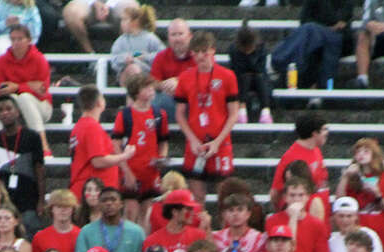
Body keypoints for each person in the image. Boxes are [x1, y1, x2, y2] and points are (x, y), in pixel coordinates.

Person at [175, 32, 239, 204]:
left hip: (220, 144)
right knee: (196, 200)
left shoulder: (227, 76)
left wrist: (218, 141)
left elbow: (234, 113)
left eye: (204, 51)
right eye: (195, 52)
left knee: (226, 198)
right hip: (195, 145)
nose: (200, 56)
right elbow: (180, 113)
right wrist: (192, 140)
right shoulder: (186, 77)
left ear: (213, 51)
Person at [0, 95, 47, 227]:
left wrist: (41, 200)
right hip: (2, 201)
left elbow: (39, 169)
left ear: (17, 112)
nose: (4, 113)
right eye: (0, 110)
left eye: (8, 109)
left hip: (29, 199)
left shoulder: (32, 137)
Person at [113, 73, 169, 223]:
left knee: (146, 213)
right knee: (131, 212)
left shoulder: (159, 114)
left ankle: (144, 244)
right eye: (146, 87)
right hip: (132, 169)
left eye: (151, 87)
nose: (151, 90)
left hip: (150, 172)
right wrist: (126, 171)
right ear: (136, 92)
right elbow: (116, 145)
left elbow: (163, 141)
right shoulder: (125, 115)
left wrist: (161, 158)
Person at [0, 24, 53, 158]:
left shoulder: (39, 59)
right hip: (14, 108)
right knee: (9, 103)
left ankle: (43, 145)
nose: (16, 43)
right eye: (13, 39)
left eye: (20, 39)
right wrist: (28, 86)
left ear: (29, 40)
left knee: (24, 97)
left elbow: (42, 90)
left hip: (41, 107)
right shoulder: (2, 61)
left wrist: (17, 87)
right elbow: (1, 89)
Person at [69, 85, 136, 199]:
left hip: (84, 189)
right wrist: (125, 156)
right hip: (93, 194)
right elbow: (98, 161)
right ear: (99, 103)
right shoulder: (92, 127)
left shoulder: (79, 126)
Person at [74, 191, 145, 252]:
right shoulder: (86, 232)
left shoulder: (136, 232)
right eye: (104, 200)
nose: (109, 203)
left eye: (113, 199)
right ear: (99, 205)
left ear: (121, 204)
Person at [228, 20, 273, 125]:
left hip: (259, 80)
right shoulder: (234, 50)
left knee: (259, 78)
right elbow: (237, 70)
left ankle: (266, 110)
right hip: (241, 81)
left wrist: (249, 60)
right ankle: (242, 108)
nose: (247, 51)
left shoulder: (261, 48)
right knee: (245, 77)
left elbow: (260, 69)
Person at [109, 4, 163, 86]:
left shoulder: (150, 38)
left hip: (147, 75)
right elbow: (114, 60)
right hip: (125, 76)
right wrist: (124, 59)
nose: (121, 23)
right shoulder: (120, 41)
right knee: (132, 69)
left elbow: (162, 56)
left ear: (135, 22)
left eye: (124, 19)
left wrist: (145, 57)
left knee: (135, 70)